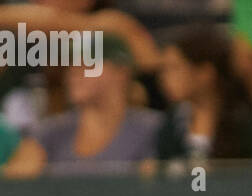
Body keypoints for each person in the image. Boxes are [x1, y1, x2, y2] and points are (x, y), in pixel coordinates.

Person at [3, 35, 162, 178]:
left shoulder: (153, 129)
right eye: (72, 65)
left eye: (88, 64)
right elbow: (15, 183)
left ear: (121, 71)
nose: (74, 73)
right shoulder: (50, 132)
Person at [157, 24, 252, 161]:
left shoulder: (244, 122)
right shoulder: (172, 123)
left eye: (174, 68)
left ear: (205, 73)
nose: (163, 78)